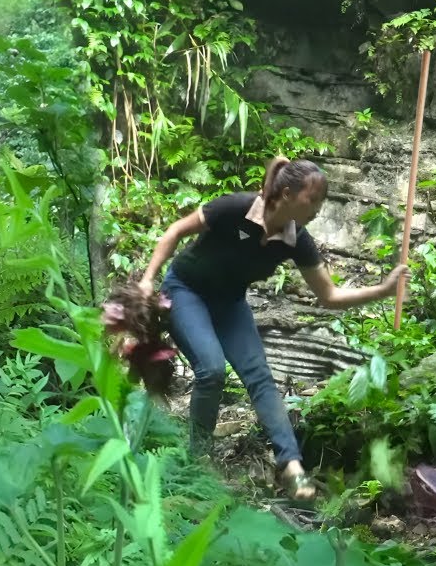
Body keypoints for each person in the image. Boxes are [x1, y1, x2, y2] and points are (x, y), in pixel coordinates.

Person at [137, 156, 408, 500]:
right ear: (286, 193)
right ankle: (198, 459)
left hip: (229, 303)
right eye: (313, 199)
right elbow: (176, 230)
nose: (318, 209)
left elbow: (329, 295)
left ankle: (292, 467)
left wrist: (383, 291)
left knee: (260, 376)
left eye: (322, 202)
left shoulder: (298, 240)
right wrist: (148, 280)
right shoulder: (235, 208)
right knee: (212, 369)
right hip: (185, 290)